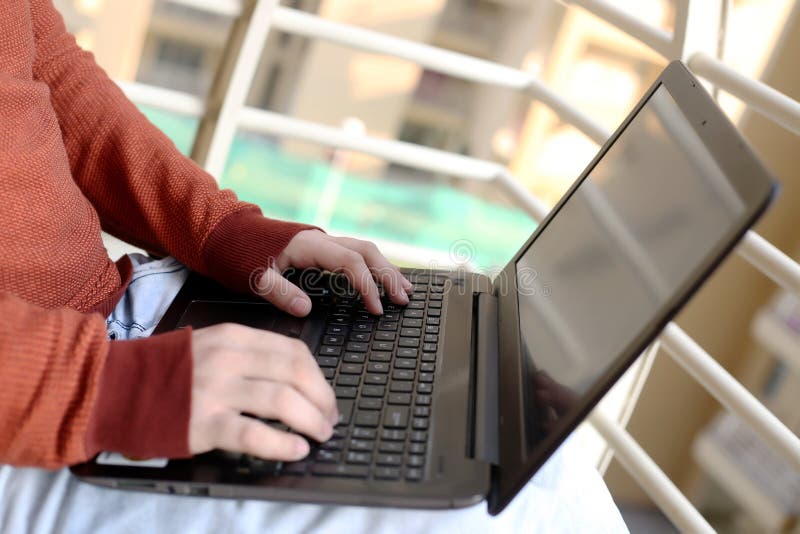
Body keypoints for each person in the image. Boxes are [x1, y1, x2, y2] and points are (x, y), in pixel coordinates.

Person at [0, 1, 627, 532]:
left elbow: (41, 64)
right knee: (488, 517)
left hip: (109, 327)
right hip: (36, 428)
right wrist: (100, 386)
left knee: (536, 462)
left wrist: (222, 229)